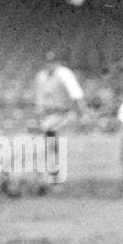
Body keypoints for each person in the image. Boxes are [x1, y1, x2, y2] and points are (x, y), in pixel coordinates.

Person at [33, 50, 83, 192]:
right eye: (48, 62)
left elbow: (76, 94)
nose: (50, 65)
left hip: (63, 114)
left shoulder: (64, 73)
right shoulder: (41, 76)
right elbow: (39, 98)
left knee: (54, 148)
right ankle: (47, 180)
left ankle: (55, 181)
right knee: (47, 148)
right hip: (48, 116)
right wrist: (39, 115)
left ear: (58, 63)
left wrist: (78, 112)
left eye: (53, 62)